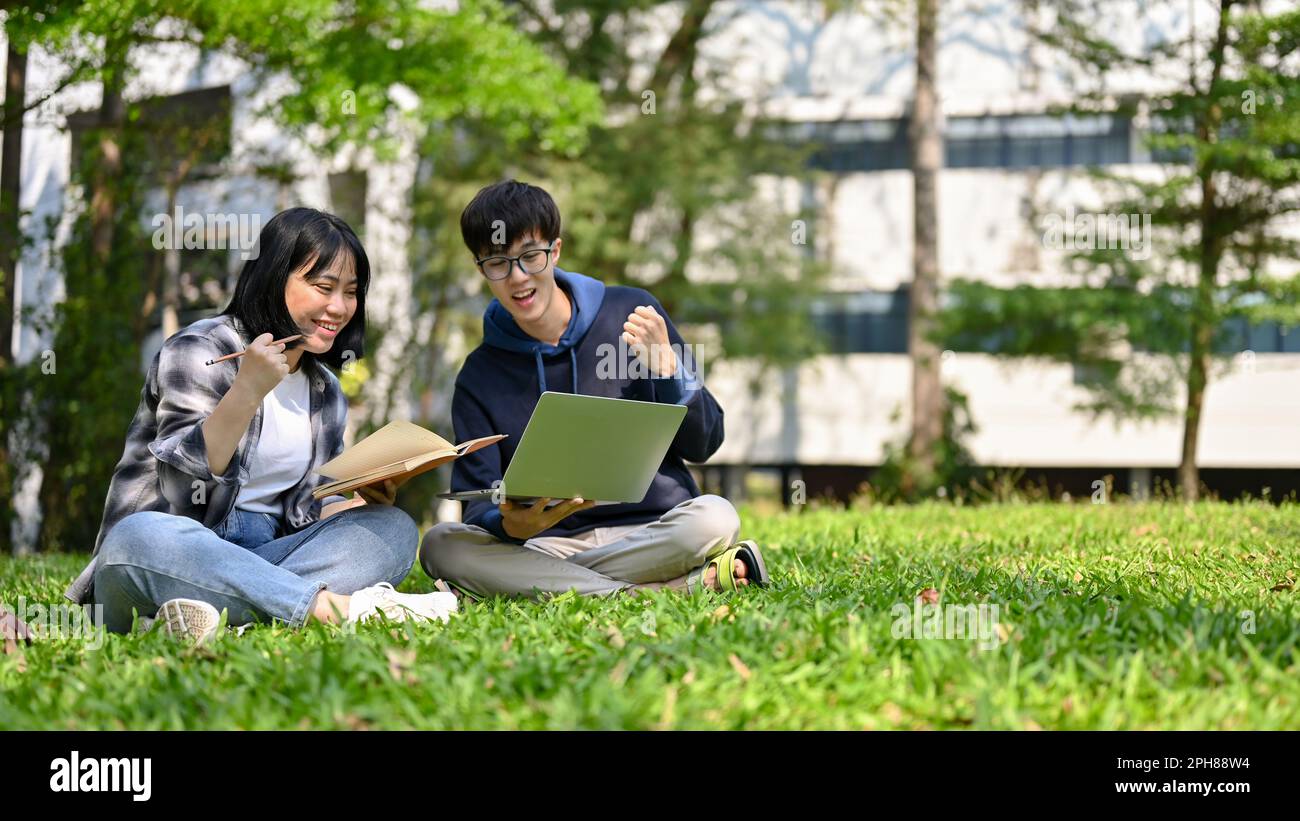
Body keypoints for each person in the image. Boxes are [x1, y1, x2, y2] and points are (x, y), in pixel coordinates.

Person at [64, 207, 457, 643]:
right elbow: (179, 488)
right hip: (170, 551)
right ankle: (334, 611)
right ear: (274, 277)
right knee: (137, 537)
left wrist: (365, 500)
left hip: (266, 554)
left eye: (351, 292)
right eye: (324, 287)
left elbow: (307, 509)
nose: (339, 307)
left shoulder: (323, 390)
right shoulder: (201, 350)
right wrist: (247, 390)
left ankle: (213, 616)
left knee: (392, 530)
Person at [420, 180, 769, 599]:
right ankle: (663, 591)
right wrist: (510, 525)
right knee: (442, 545)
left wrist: (671, 369)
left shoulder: (633, 315)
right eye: (498, 262)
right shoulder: (479, 375)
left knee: (716, 517)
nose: (518, 277)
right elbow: (477, 510)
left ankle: (548, 588)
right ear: (481, 270)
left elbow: (706, 443)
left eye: (531, 256)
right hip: (547, 545)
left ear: (556, 250)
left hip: (653, 530)